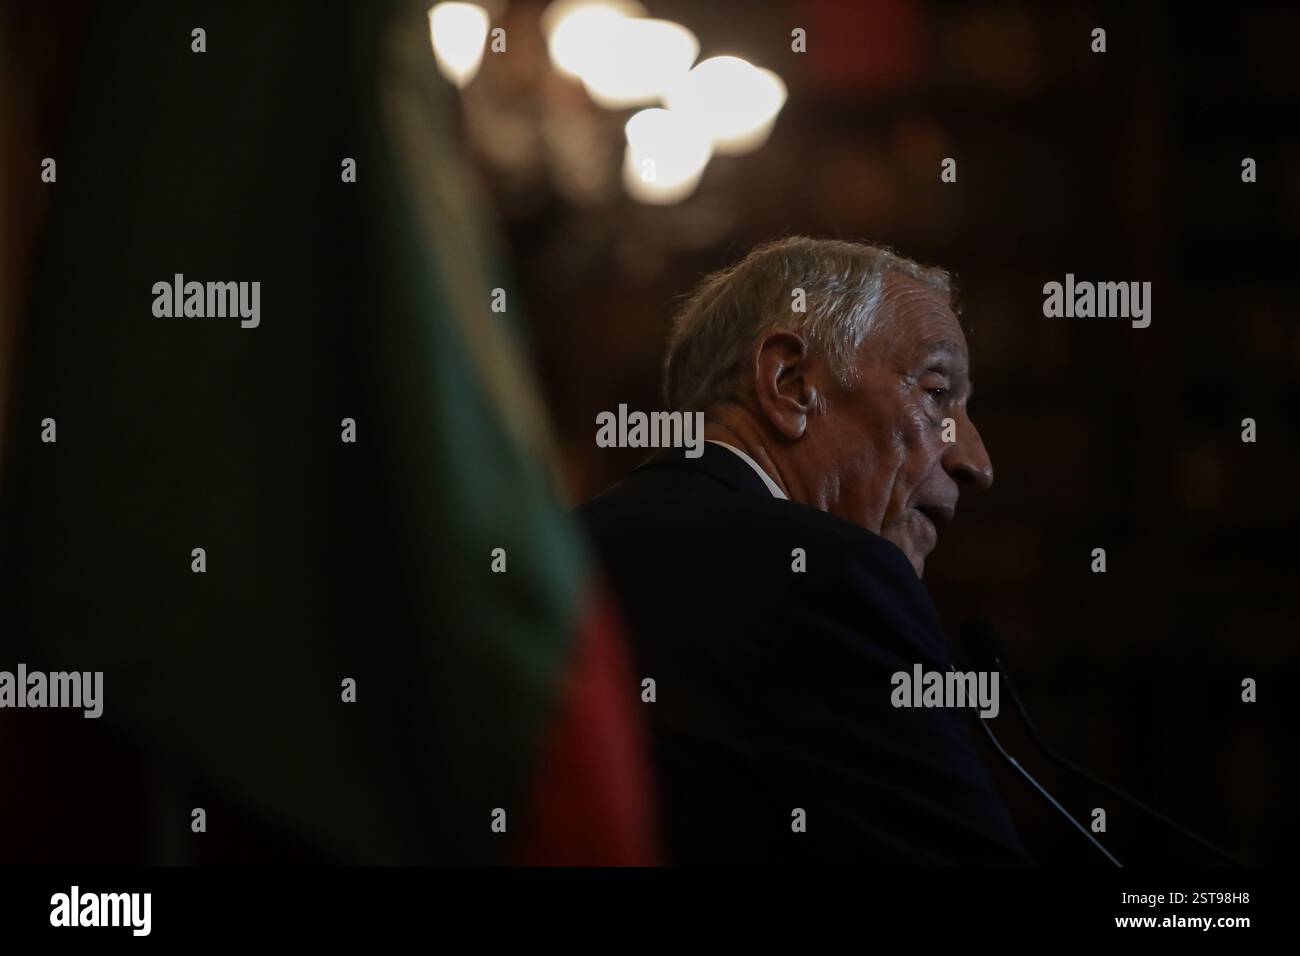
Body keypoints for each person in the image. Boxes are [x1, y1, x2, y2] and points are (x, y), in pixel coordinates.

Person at [579, 236, 1028, 864]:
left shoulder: (560, 553)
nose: (976, 462)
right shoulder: (834, 580)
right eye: (935, 393)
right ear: (790, 383)